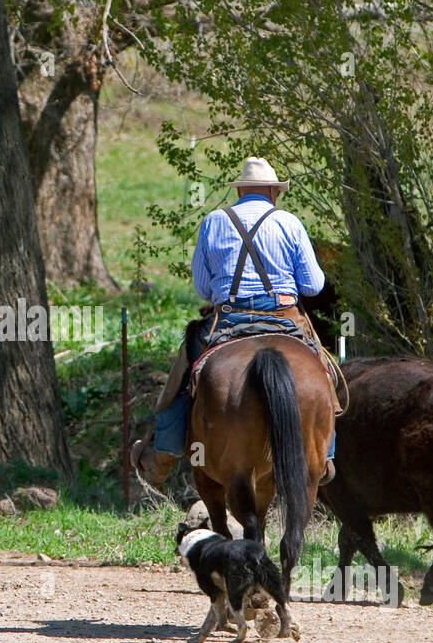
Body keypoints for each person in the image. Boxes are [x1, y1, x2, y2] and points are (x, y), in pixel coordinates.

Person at [130, 156, 337, 486]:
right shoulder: (289, 222)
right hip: (284, 317)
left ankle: (163, 454)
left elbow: (201, 287)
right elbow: (313, 285)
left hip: (227, 319)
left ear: (240, 189)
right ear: (273, 191)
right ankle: (325, 456)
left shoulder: (214, 220)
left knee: (183, 376)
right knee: (325, 373)